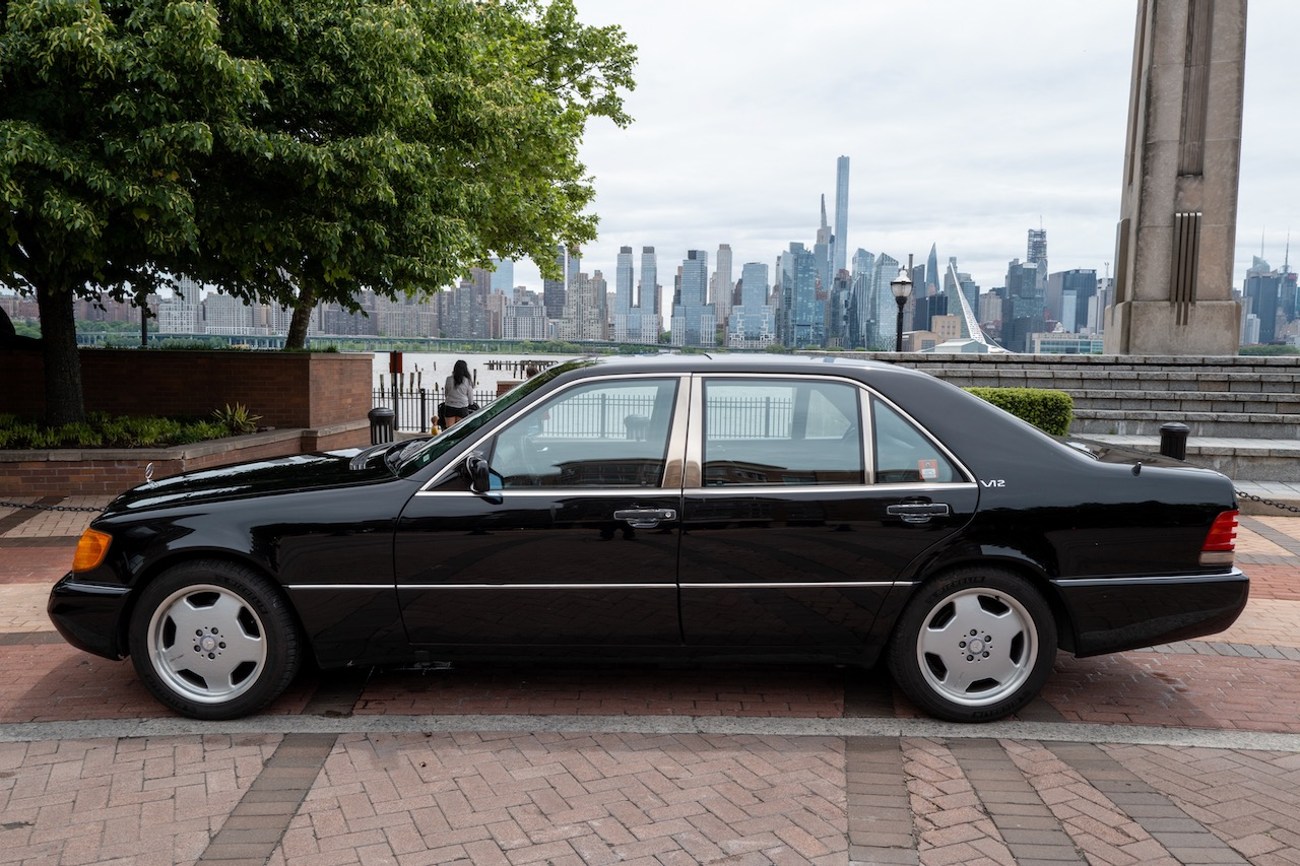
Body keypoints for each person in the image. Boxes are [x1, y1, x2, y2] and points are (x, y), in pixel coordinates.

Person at [439, 359, 477, 427]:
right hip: (462, 407)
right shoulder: (467, 381)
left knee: (449, 429)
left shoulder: (449, 379)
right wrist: (471, 403)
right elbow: (470, 397)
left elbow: (446, 393)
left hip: (450, 406)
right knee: (460, 429)